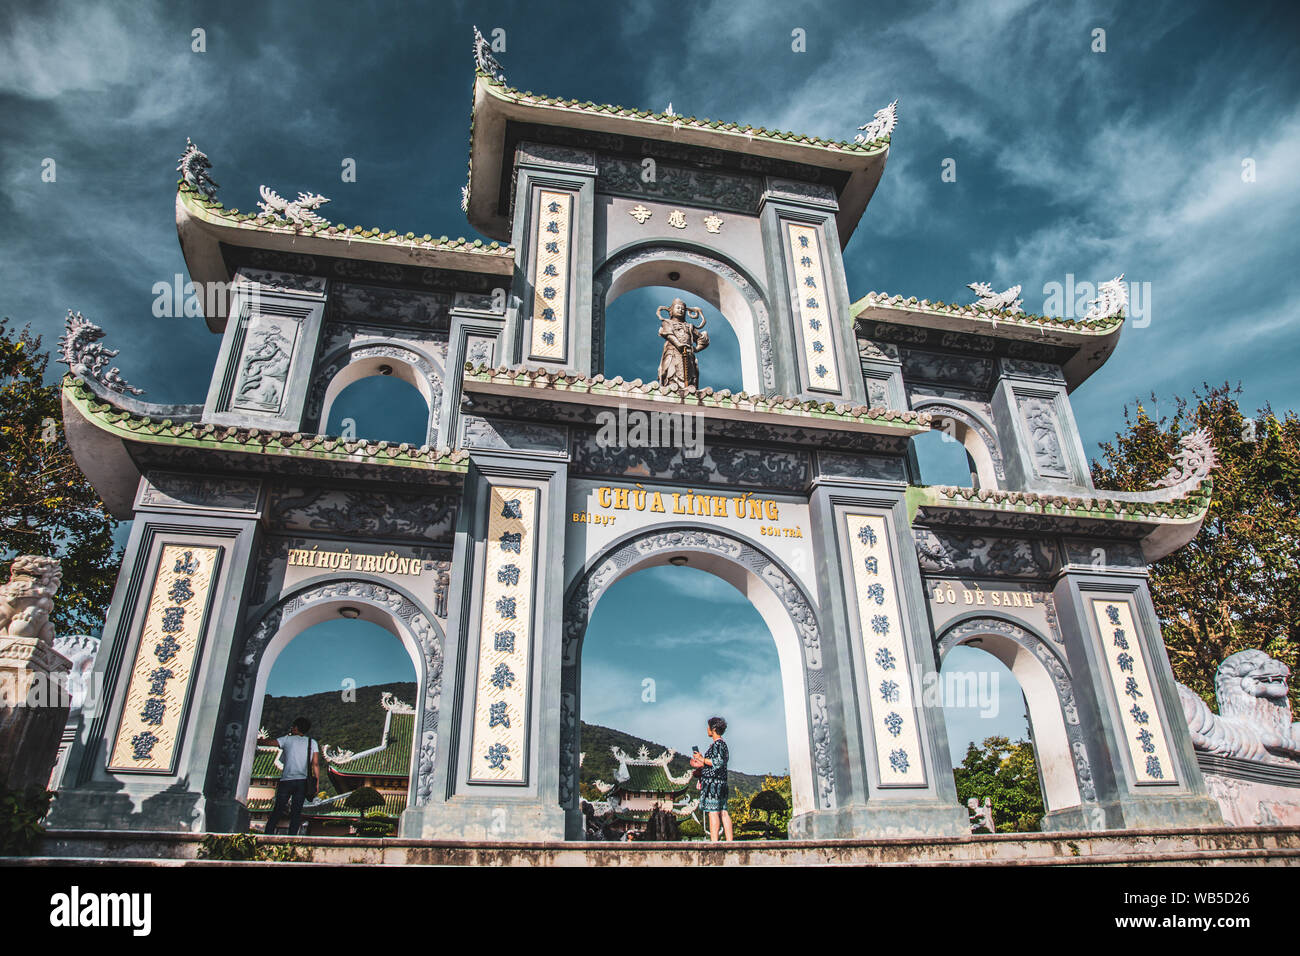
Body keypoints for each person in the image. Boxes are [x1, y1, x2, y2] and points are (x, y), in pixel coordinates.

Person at [257, 717, 321, 836]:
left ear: (296, 728)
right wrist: (316, 783)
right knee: (296, 812)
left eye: (293, 726)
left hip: (286, 781)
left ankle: (268, 834)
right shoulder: (312, 742)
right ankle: (291, 837)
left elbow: (269, 743)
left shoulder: (286, 740)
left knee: (278, 809)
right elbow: (315, 764)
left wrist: (256, 739)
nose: (291, 728)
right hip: (302, 782)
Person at [691, 716, 733, 841]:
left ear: (713, 728)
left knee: (713, 811)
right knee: (723, 811)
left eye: (708, 727)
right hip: (721, 782)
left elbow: (717, 762)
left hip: (713, 784)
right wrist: (702, 759)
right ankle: (730, 841)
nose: (707, 729)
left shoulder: (718, 744)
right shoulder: (721, 745)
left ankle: (715, 843)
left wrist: (702, 760)